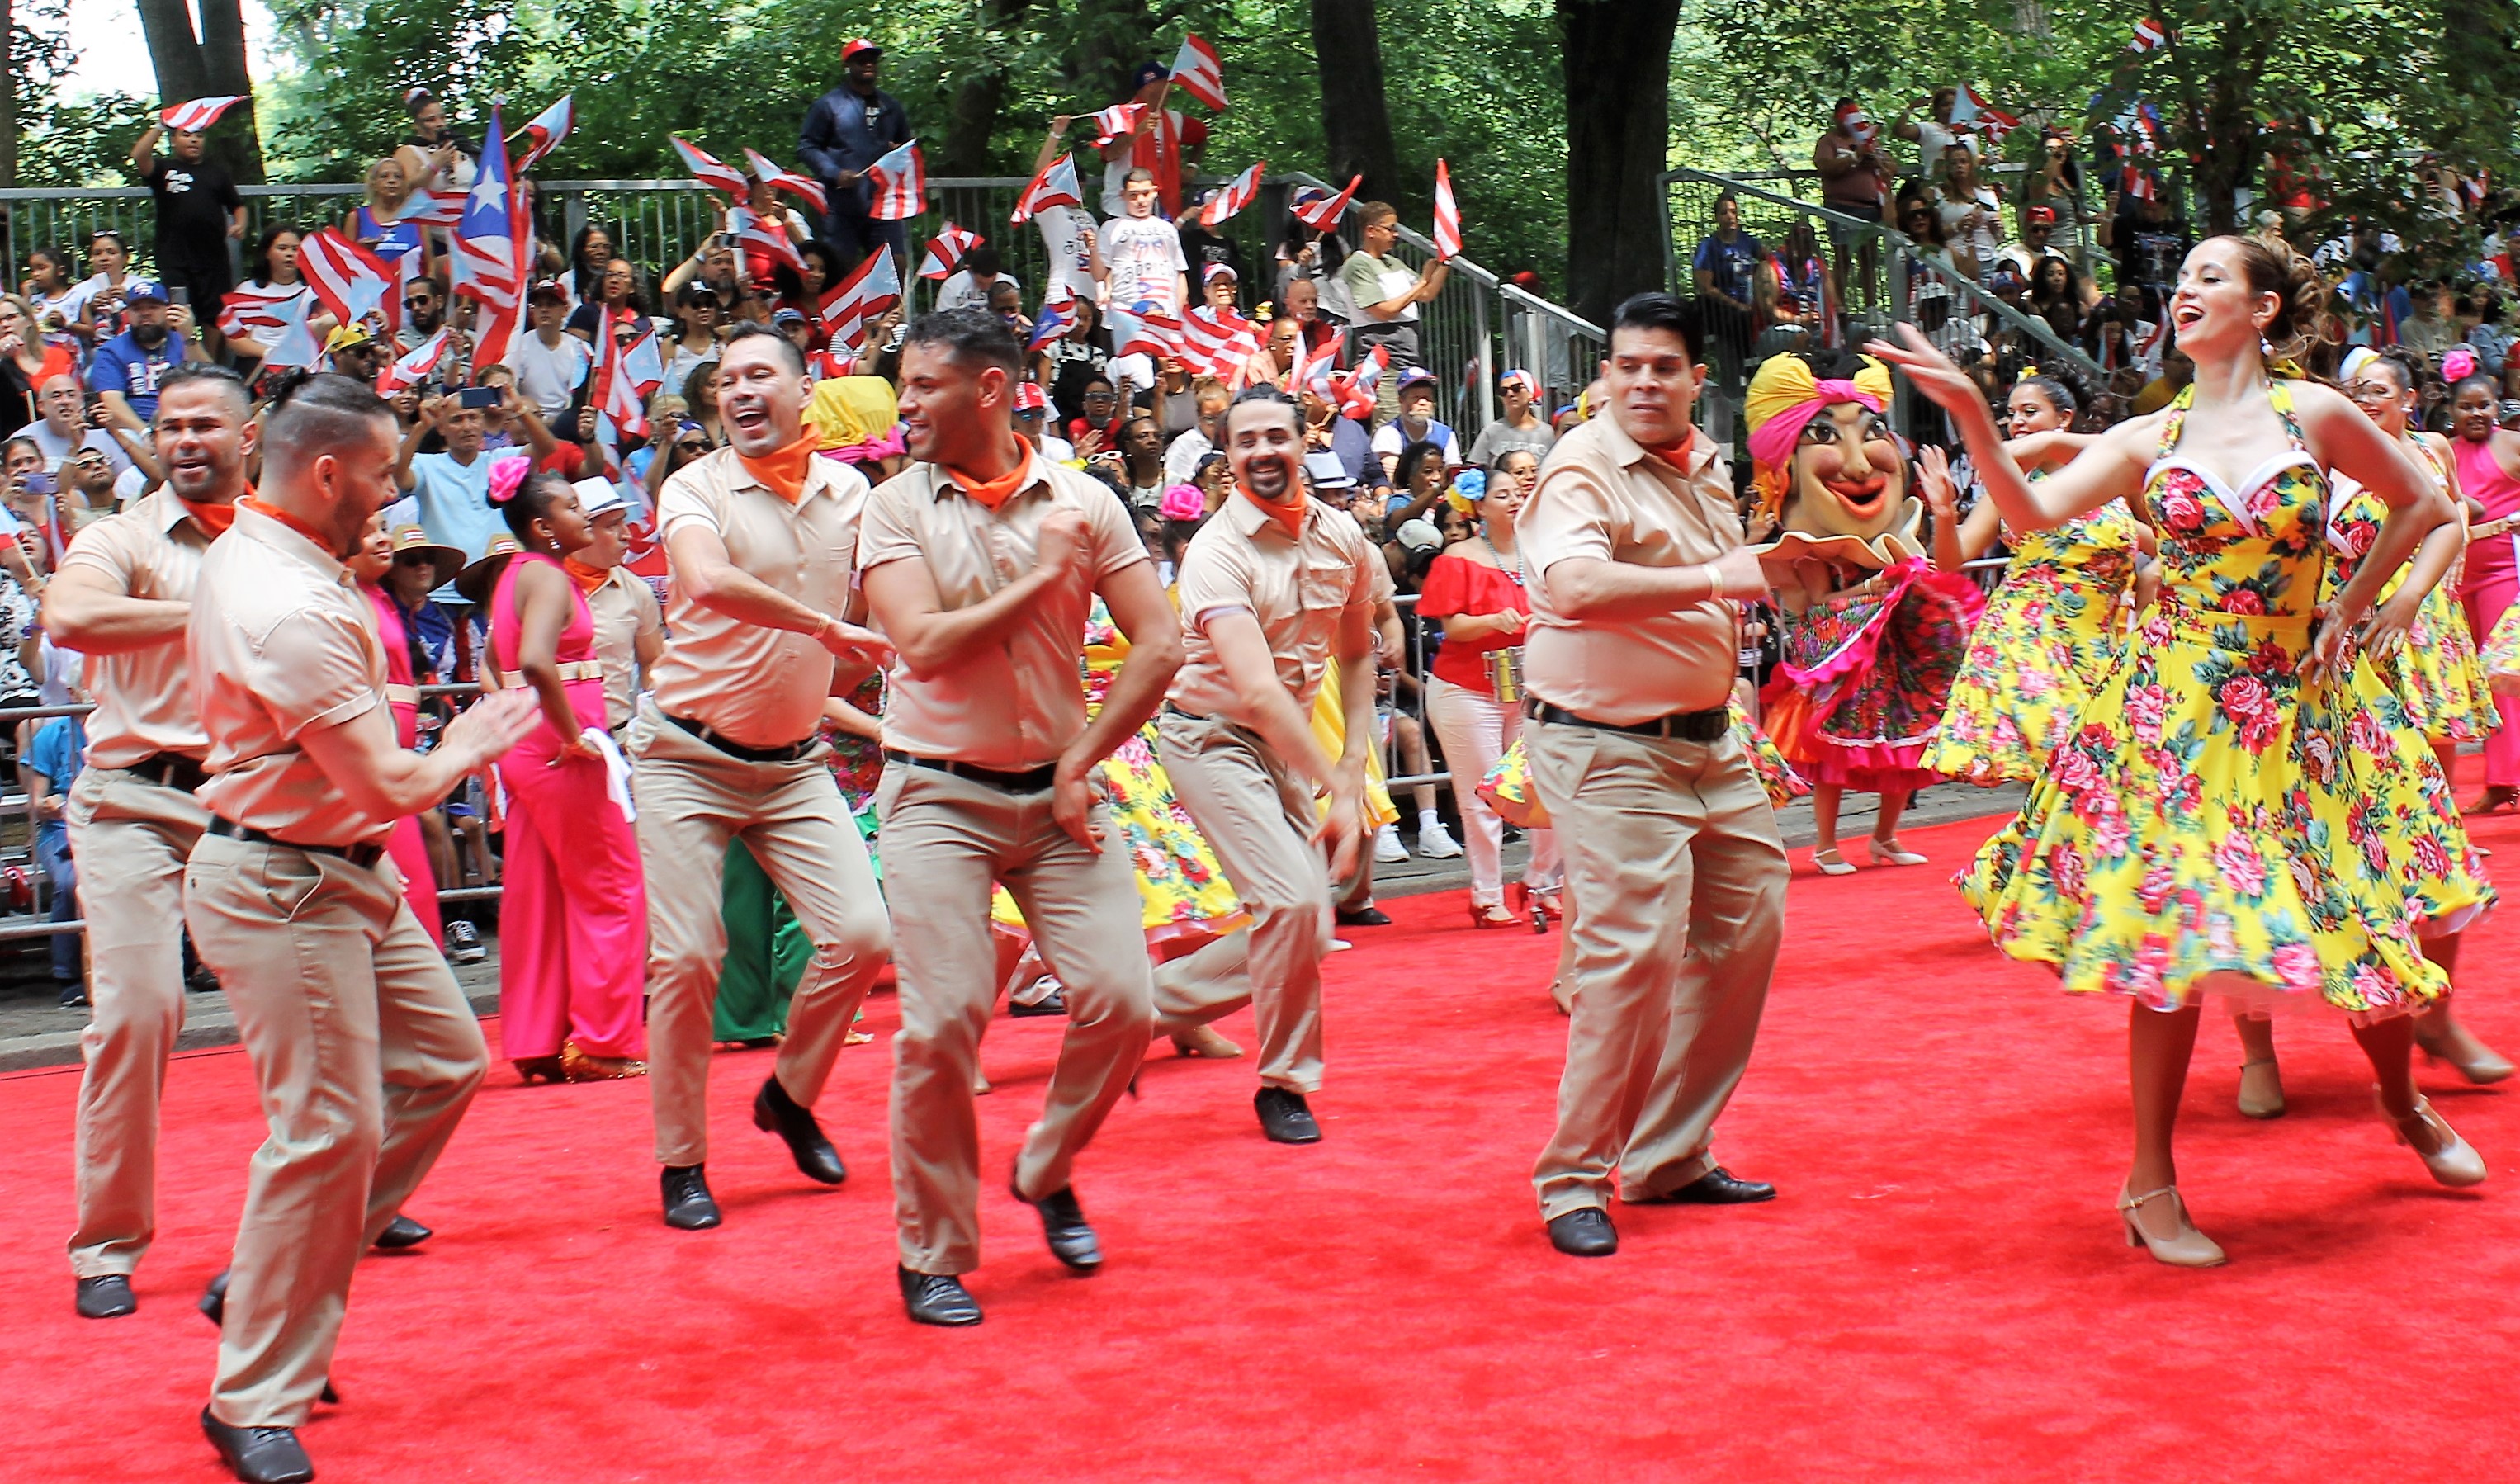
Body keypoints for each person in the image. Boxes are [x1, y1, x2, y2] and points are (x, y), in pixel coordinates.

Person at [1875, 234, 2491, 1269]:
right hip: (2173, 715)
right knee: (2171, 937)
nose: (2184, 289)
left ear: (2261, 307)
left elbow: (2426, 506)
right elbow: (2026, 513)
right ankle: (2148, 1180)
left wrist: (2351, 604)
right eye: (2183, 278)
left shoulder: (2315, 414)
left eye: (2211, 276)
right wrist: (1974, 415)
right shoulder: (2145, 435)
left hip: (2304, 710)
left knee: (2353, 920)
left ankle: (2401, 1102)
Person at [183, 370, 539, 1483]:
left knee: (444, 1062)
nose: (395, 497)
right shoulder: (287, 600)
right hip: (287, 879)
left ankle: (270, 1270)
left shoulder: (271, 550)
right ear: (330, 472)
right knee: (325, 1131)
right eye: (386, 475)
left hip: (332, 869)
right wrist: (473, 741)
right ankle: (251, 1395)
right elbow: (390, 783)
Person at [854, 308, 1177, 1324]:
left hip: (1057, 795)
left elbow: (1160, 644)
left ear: (988, 389)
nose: (903, 407)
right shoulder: (891, 507)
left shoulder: (1087, 500)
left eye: (921, 386)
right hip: (934, 797)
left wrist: (1082, 760)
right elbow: (922, 644)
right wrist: (1042, 576)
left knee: (1123, 1005)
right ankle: (933, 1252)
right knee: (944, 1021)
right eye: (901, 388)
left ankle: (1045, 1164)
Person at [1515, 293, 1789, 1260]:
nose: (1641, 382)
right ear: (1602, 376)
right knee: (1630, 956)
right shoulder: (1579, 464)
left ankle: (1668, 1154)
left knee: (1750, 924)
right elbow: (1574, 587)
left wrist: (1797, 577)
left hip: (1710, 742)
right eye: (1626, 365)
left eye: (1661, 367)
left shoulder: (1704, 462)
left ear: (1693, 380)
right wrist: (1727, 579)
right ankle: (1572, 1179)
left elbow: (1724, 592)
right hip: (1603, 745)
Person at [632, 323, 894, 1231]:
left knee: (862, 936)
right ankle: (682, 1161)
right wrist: (822, 630)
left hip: (792, 768)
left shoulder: (852, 492)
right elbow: (705, 581)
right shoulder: (694, 486)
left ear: (803, 389)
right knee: (687, 957)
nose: (739, 391)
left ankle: (790, 1095)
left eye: (758, 375)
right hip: (682, 759)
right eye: (726, 381)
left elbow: (875, 611)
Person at [38, 362, 249, 1321]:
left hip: (255, 805)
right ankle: (106, 1246)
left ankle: (352, 1198)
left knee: (346, 1007)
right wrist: (214, 614)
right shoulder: (118, 534)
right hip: (130, 803)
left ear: (248, 437)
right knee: (138, 1014)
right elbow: (71, 615)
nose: (186, 440)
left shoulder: (285, 540)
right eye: (170, 426)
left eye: (205, 424)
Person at [1145, 387, 1377, 1145]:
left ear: (1305, 441)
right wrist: (1336, 788)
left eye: (1276, 436)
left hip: (1283, 748)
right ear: (1227, 457)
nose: (1262, 452)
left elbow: (1357, 653)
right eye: (1245, 442)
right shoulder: (1216, 552)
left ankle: (1138, 1008)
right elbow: (1256, 691)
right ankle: (1285, 1085)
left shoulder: (1343, 536)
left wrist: (1351, 766)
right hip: (1208, 739)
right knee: (1293, 907)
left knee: (1307, 927)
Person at [1746, 351, 1978, 875]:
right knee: (1832, 753)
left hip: (1896, 654)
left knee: (1907, 745)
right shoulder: (1807, 549)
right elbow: (1816, 606)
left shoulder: (1898, 529)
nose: (1858, 463)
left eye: (1872, 431)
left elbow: (1944, 567)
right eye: (1824, 436)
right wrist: (1875, 587)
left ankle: (1885, 837)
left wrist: (1928, 541)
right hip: (1839, 660)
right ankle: (1826, 845)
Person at [475, 462, 649, 1084]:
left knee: (539, 887)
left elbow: (492, 661)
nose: (585, 516)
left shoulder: (515, 574)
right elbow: (534, 661)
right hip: (561, 743)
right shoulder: (547, 576)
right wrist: (573, 736)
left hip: (531, 742)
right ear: (544, 527)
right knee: (613, 886)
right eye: (573, 507)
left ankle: (540, 1039)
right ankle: (601, 1042)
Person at [1921, 375, 2146, 785]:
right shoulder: (2010, 486)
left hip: (2097, 643)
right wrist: (1944, 513)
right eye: (2011, 414)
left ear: (2064, 418)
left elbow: (2159, 535)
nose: (2017, 422)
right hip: (2026, 634)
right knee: (2061, 754)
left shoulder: (2112, 471)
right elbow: (1951, 560)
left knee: (2104, 765)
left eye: (2029, 411)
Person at [1417, 459, 1559, 927]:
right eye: (1503, 495)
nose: (1515, 500)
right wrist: (1493, 621)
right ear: (1479, 506)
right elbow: (1453, 626)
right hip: (1467, 687)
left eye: (1518, 493)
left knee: (1544, 786)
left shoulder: (1541, 550)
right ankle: (1486, 892)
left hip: (1528, 685)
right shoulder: (1459, 558)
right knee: (1481, 794)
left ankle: (1543, 881)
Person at [352, 518, 461, 954]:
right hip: (375, 756)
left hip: (399, 750)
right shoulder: (346, 596)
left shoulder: (378, 597)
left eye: (383, 529)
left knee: (411, 881)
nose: (383, 539)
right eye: (368, 532)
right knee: (404, 881)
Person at [2451, 369, 2520, 813]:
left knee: (2504, 673)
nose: (2476, 413)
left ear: (2497, 407)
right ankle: (2502, 778)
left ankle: (2506, 779)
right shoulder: (2442, 450)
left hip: (2506, 572)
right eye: (2466, 406)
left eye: (2484, 405)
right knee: (2479, 678)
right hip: (2459, 576)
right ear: (2451, 410)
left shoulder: (2513, 444)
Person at [126, 116, 245, 338]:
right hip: (175, 258)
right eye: (186, 135)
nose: (193, 140)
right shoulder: (164, 169)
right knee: (177, 311)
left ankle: (210, 359)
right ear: (173, 140)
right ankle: (180, 355)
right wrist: (161, 124)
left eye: (199, 135)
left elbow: (237, 206)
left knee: (214, 315)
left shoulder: (217, 173)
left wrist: (240, 225)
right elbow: (139, 155)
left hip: (212, 259)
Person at [797, 39, 911, 269]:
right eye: (861, 60)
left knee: (894, 264)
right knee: (840, 266)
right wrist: (835, 173)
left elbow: (906, 147)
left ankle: (889, 296)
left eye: (872, 60)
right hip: (840, 205)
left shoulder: (891, 106)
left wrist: (898, 152)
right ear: (847, 66)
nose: (868, 64)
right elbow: (806, 146)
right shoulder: (829, 105)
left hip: (883, 204)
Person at [1340, 201, 1448, 376]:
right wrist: (1423, 280)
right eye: (1390, 229)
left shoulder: (1393, 262)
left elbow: (1426, 294)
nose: (1395, 234)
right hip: (1383, 363)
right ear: (1370, 231)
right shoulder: (1357, 265)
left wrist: (1445, 263)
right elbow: (1385, 312)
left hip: (1409, 357)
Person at [88, 281, 206, 435]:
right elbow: (112, 402)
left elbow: (208, 383)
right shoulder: (111, 350)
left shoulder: (184, 341)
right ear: (127, 314)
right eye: (136, 309)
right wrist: (146, 434)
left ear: (167, 310)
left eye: (153, 307)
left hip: (188, 421)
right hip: (136, 430)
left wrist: (189, 336)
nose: (145, 313)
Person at [1095, 60, 1208, 218]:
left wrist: (1191, 167)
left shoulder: (1174, 119)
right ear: (1150, 85)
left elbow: (1202, 134)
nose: (1171, 90)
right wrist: (1137, 131)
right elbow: (1109, 154)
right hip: (1122, 206)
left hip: (1162, 207)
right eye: (1166, 84)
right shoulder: (1120, 116)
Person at [1691, 194, 1764, 383]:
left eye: (1733, 212)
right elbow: (1707, 288)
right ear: (1716, 217)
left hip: (1749, 302)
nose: (1730, 217)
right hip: (1720, 306)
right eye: (1724, 213)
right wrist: (1738, 305)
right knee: (1741, 319)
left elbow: (1770, 262)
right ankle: (1747, 370)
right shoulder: (1708, 247)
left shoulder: (1748, 241)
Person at [1099, 168, 1189, 318]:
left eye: (1145, 193)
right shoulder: (1111, 227)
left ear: (1155, 192)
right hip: (1124, 312)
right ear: (1123, 195)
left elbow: (1179, 271)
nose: (1140, 200)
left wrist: (1178, 312)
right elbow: (1105, 270)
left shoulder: (1168, 228)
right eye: (1133, 195)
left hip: (1166, 313)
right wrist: (1105, 293)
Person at [510, 280, 592, 419]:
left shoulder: (580, 348)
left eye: (551, 304)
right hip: (529, 418)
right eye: (539, 305)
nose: (544, 310)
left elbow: (583, 393)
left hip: (567, 419)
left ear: (565, 310)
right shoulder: (518, 346)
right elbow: (511, 388)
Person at [1371, 369, 1460, 478]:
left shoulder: (1445, 434)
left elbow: (1454, 474)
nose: (1423, 403)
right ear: (1401, 400)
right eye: (1416, 398)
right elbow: (1390, 479)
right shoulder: (1388, 433)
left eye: (1427, 398)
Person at [393, 87, 480, 193]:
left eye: (442, 118)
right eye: (431, 120)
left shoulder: (465, 148)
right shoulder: (409, 151)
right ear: (416, 125)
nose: (440, 124)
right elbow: (405, 189)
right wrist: (435, 165)